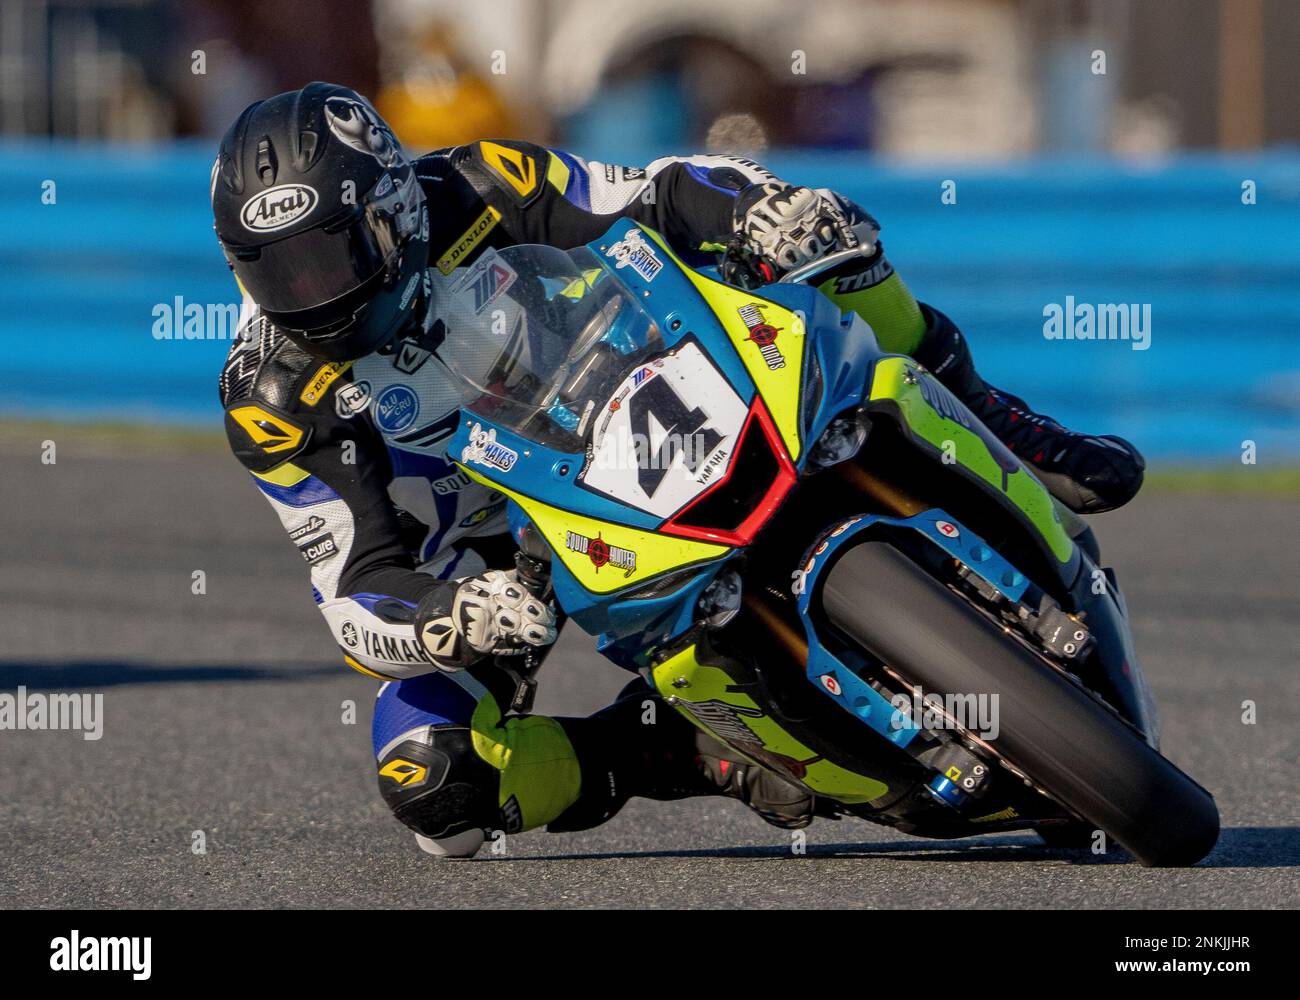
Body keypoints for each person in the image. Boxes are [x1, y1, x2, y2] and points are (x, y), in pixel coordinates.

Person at [212, 83, 1144, 857]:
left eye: (329, 255)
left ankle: (1000, 421)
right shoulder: (273, 398)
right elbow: (352, 588)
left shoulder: (482, 185)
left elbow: (657, 189)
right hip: (497, 564)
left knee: (832, 241)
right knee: (434, 783)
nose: (315, 296)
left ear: (393, 211)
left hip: (625, 385)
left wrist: (762, 212)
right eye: (276, 274)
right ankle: (684, 753)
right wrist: (443, 620)